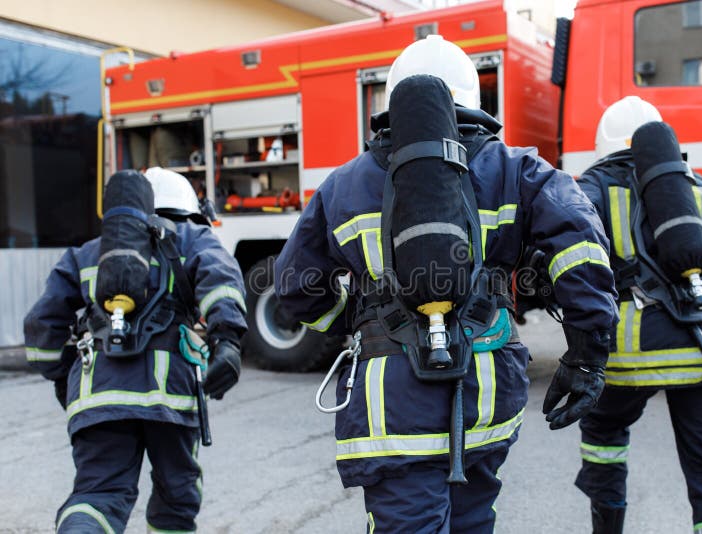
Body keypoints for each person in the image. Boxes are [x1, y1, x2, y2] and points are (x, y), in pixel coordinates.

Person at [275, 35, 618, 533]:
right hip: (487, 399)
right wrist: (587, 348)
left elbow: (292, 288)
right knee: (474, 520)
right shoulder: (517, 169)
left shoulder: (344, 184)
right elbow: (582, 240)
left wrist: (362, 320)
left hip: (390, 410)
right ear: (472, 102)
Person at [24, 167, 247, 533]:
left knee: (98, 494)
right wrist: (228, 340)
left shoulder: (86, 254)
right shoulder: (193, 237)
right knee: (177, 496)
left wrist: (63, 374)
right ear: (187, 207)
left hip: (99, 397)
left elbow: (41, 328)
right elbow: (222, 280)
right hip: (169, 398)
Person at [574, 96, 702, 533]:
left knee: (604, 434)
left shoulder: (591, 190)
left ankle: (607, 523)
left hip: (628, 356)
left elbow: (573, 270)